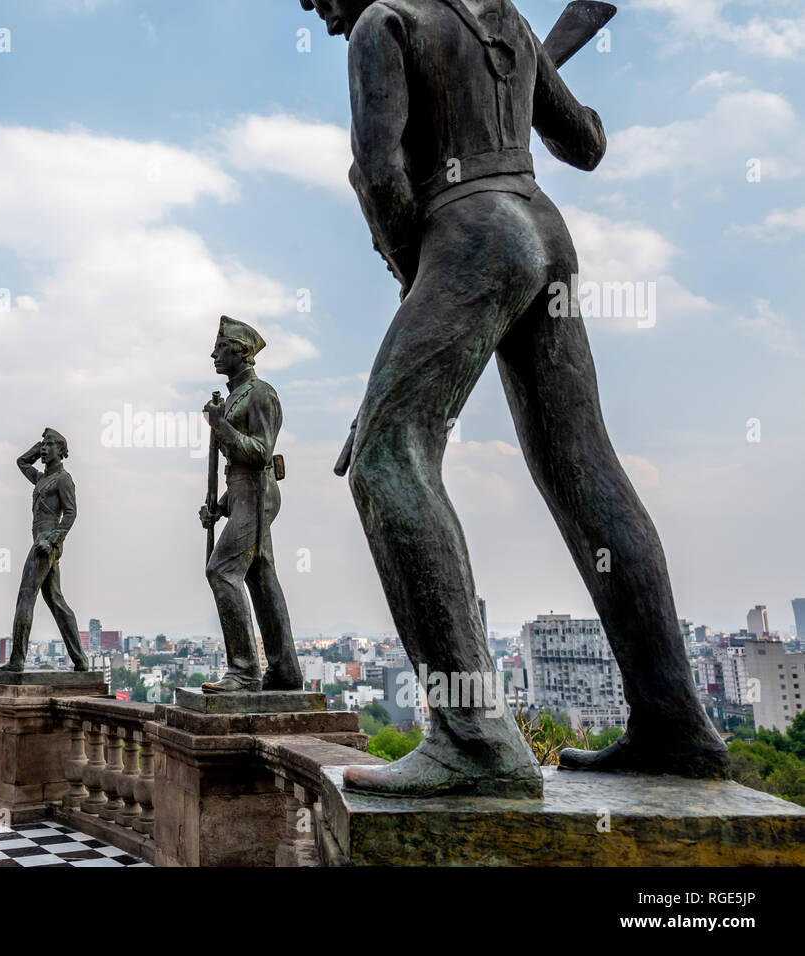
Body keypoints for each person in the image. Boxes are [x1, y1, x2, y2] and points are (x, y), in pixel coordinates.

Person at [302, 0, 728, 795]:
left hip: (472, 233)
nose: (314, 8)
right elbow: (586, 143)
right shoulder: (502, 17)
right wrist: (531, 71)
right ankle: (675, 726)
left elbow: (379, 173)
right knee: (584, 471)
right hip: (545, 231)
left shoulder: (384, 24)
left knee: (386, 458)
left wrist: (414, 279)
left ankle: (474, 739)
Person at [199, 316, 302, 693]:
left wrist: (219, 427)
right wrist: (221, 506)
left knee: (222, 572)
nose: (214, 354)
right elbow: (240, 471)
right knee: (261, 580)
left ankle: (244, 672)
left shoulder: (260, 394)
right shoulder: (232, 397)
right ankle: (285, 671)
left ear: (241, 352)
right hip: (244, 494)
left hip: (259, 496)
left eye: (222, 347)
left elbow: (260, 454)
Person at [2, 428, 89, 672]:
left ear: (61, 450)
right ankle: (80, 659)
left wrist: (52, 540)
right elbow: (21, 462)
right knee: (57, 602)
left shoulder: (63, 479)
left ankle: (17, 660)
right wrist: (38, 447)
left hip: (45, 543)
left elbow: (71, 513)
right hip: (40, 540)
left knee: (26, 596)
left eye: (50, 444)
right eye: (44, 444)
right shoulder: (41, 479)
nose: (44, 447)